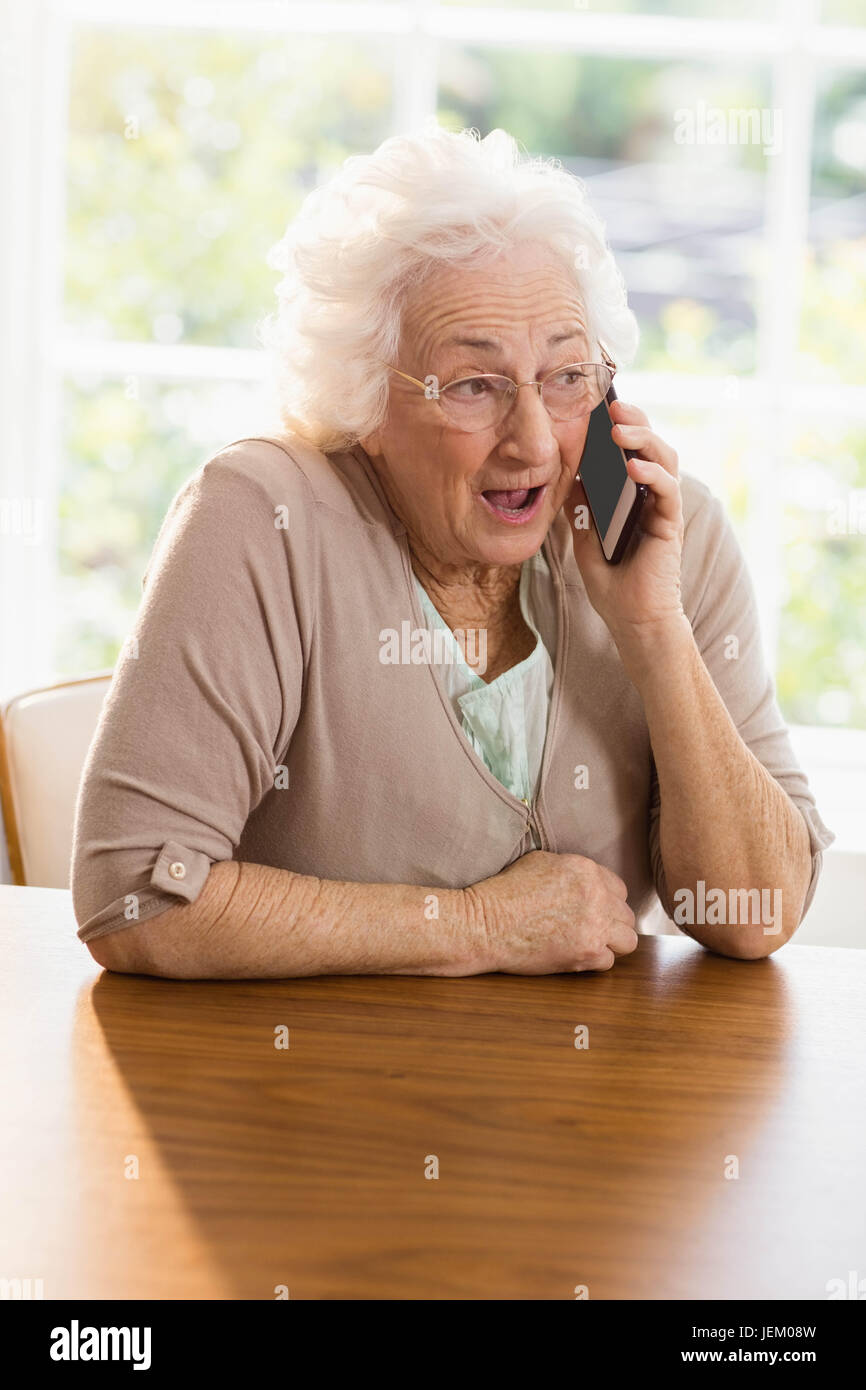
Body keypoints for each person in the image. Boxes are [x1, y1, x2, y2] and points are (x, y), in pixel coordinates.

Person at [71, 125, 834, 978]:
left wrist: (654, 630)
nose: (535, 443)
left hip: (592, 1101)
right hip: (300, 1094)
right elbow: (132, 896)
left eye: (566, 376)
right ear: (363, 398)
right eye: (474, 386)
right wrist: (475, 926)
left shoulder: (662, 533)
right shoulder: (264, 520)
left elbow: (757, 916)